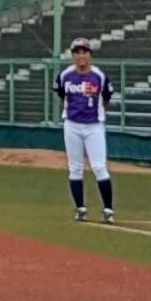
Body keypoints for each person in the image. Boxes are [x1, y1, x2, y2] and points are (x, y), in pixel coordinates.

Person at [55, 37, 116, 223]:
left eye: (84, 52)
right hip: (72, 124)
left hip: (94, 126)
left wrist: (97, 114)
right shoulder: (66, 75)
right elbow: (61, 96)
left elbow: (106, 99)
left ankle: (108, 209)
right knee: (75, 168)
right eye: (77, 52)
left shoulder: (99, 76)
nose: (81, 56)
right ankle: (80, 208)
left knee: (99, 166)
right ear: (73, 55)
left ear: (90, 55)